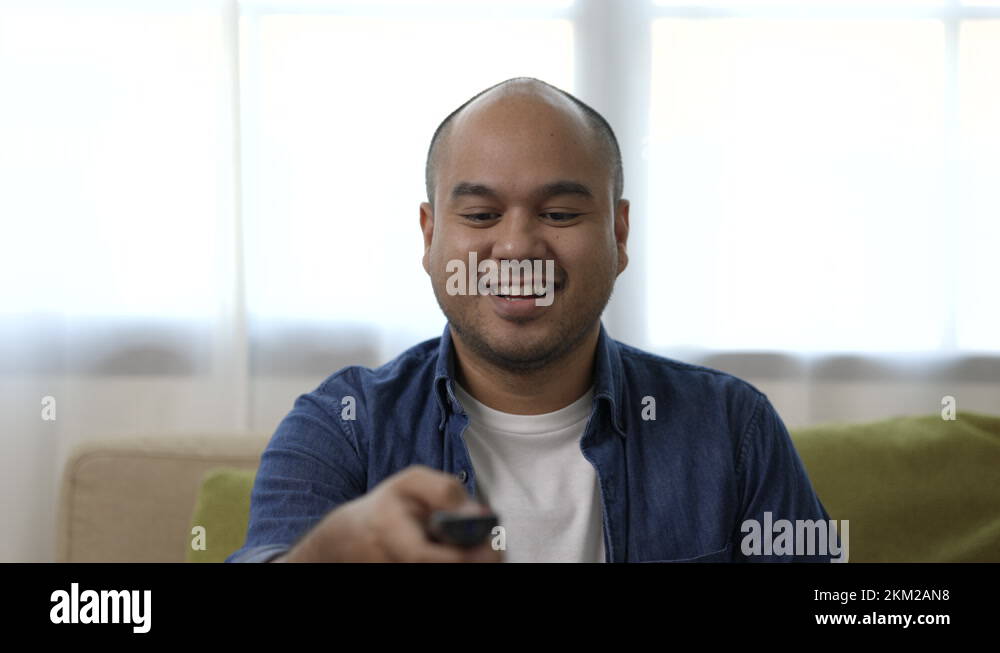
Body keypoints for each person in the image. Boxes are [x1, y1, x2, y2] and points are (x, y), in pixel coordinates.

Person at [226, 77, 836, 563]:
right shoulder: (344, 427)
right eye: (483, 215)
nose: (517, 249)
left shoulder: (732, 429)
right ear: (430, 234)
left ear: (619, 235)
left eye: (561, 213)